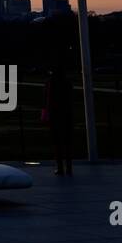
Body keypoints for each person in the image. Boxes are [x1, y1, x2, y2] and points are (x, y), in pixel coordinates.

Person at [43, 46, 75, 176]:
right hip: (67, 114)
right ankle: (68, 167)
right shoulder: (67, 82)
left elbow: (48, 99)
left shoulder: (51, 83)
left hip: (56, 115)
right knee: (67, 143)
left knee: (57, 143)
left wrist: (46, 113)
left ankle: (60, 167)